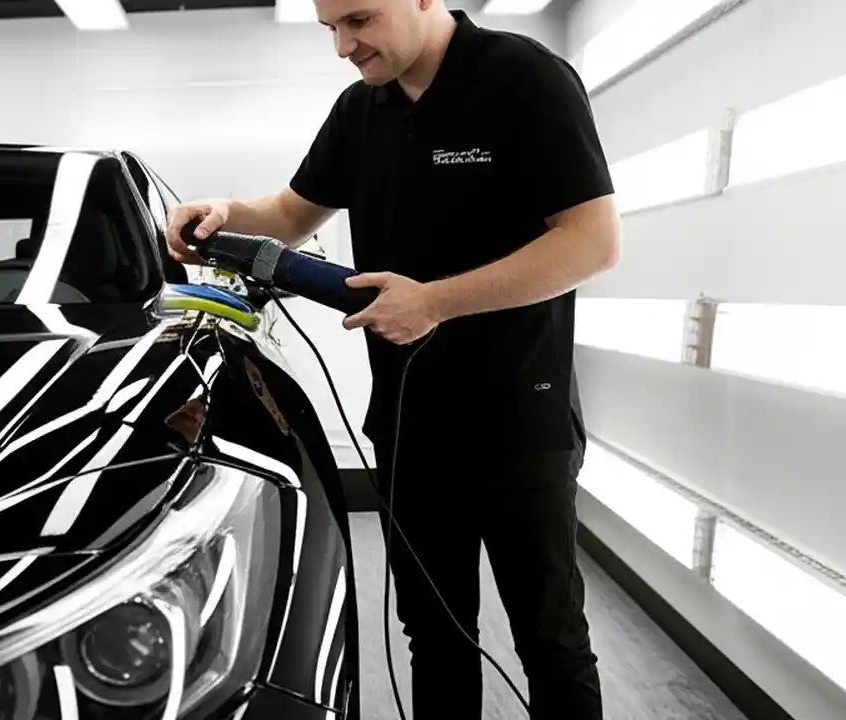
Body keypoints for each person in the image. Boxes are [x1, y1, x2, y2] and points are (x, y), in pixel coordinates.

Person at [165, 0, 619, 717]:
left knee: (551, 639)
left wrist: (436, 302)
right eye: (331, 28)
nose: (344, 46)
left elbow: (592, 243)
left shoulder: (524, 79)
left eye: (359, 20)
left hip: (519, 420)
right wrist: (223, 212)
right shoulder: (360, 112)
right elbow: (290, 212)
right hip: (411, 425)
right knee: (434, 634)